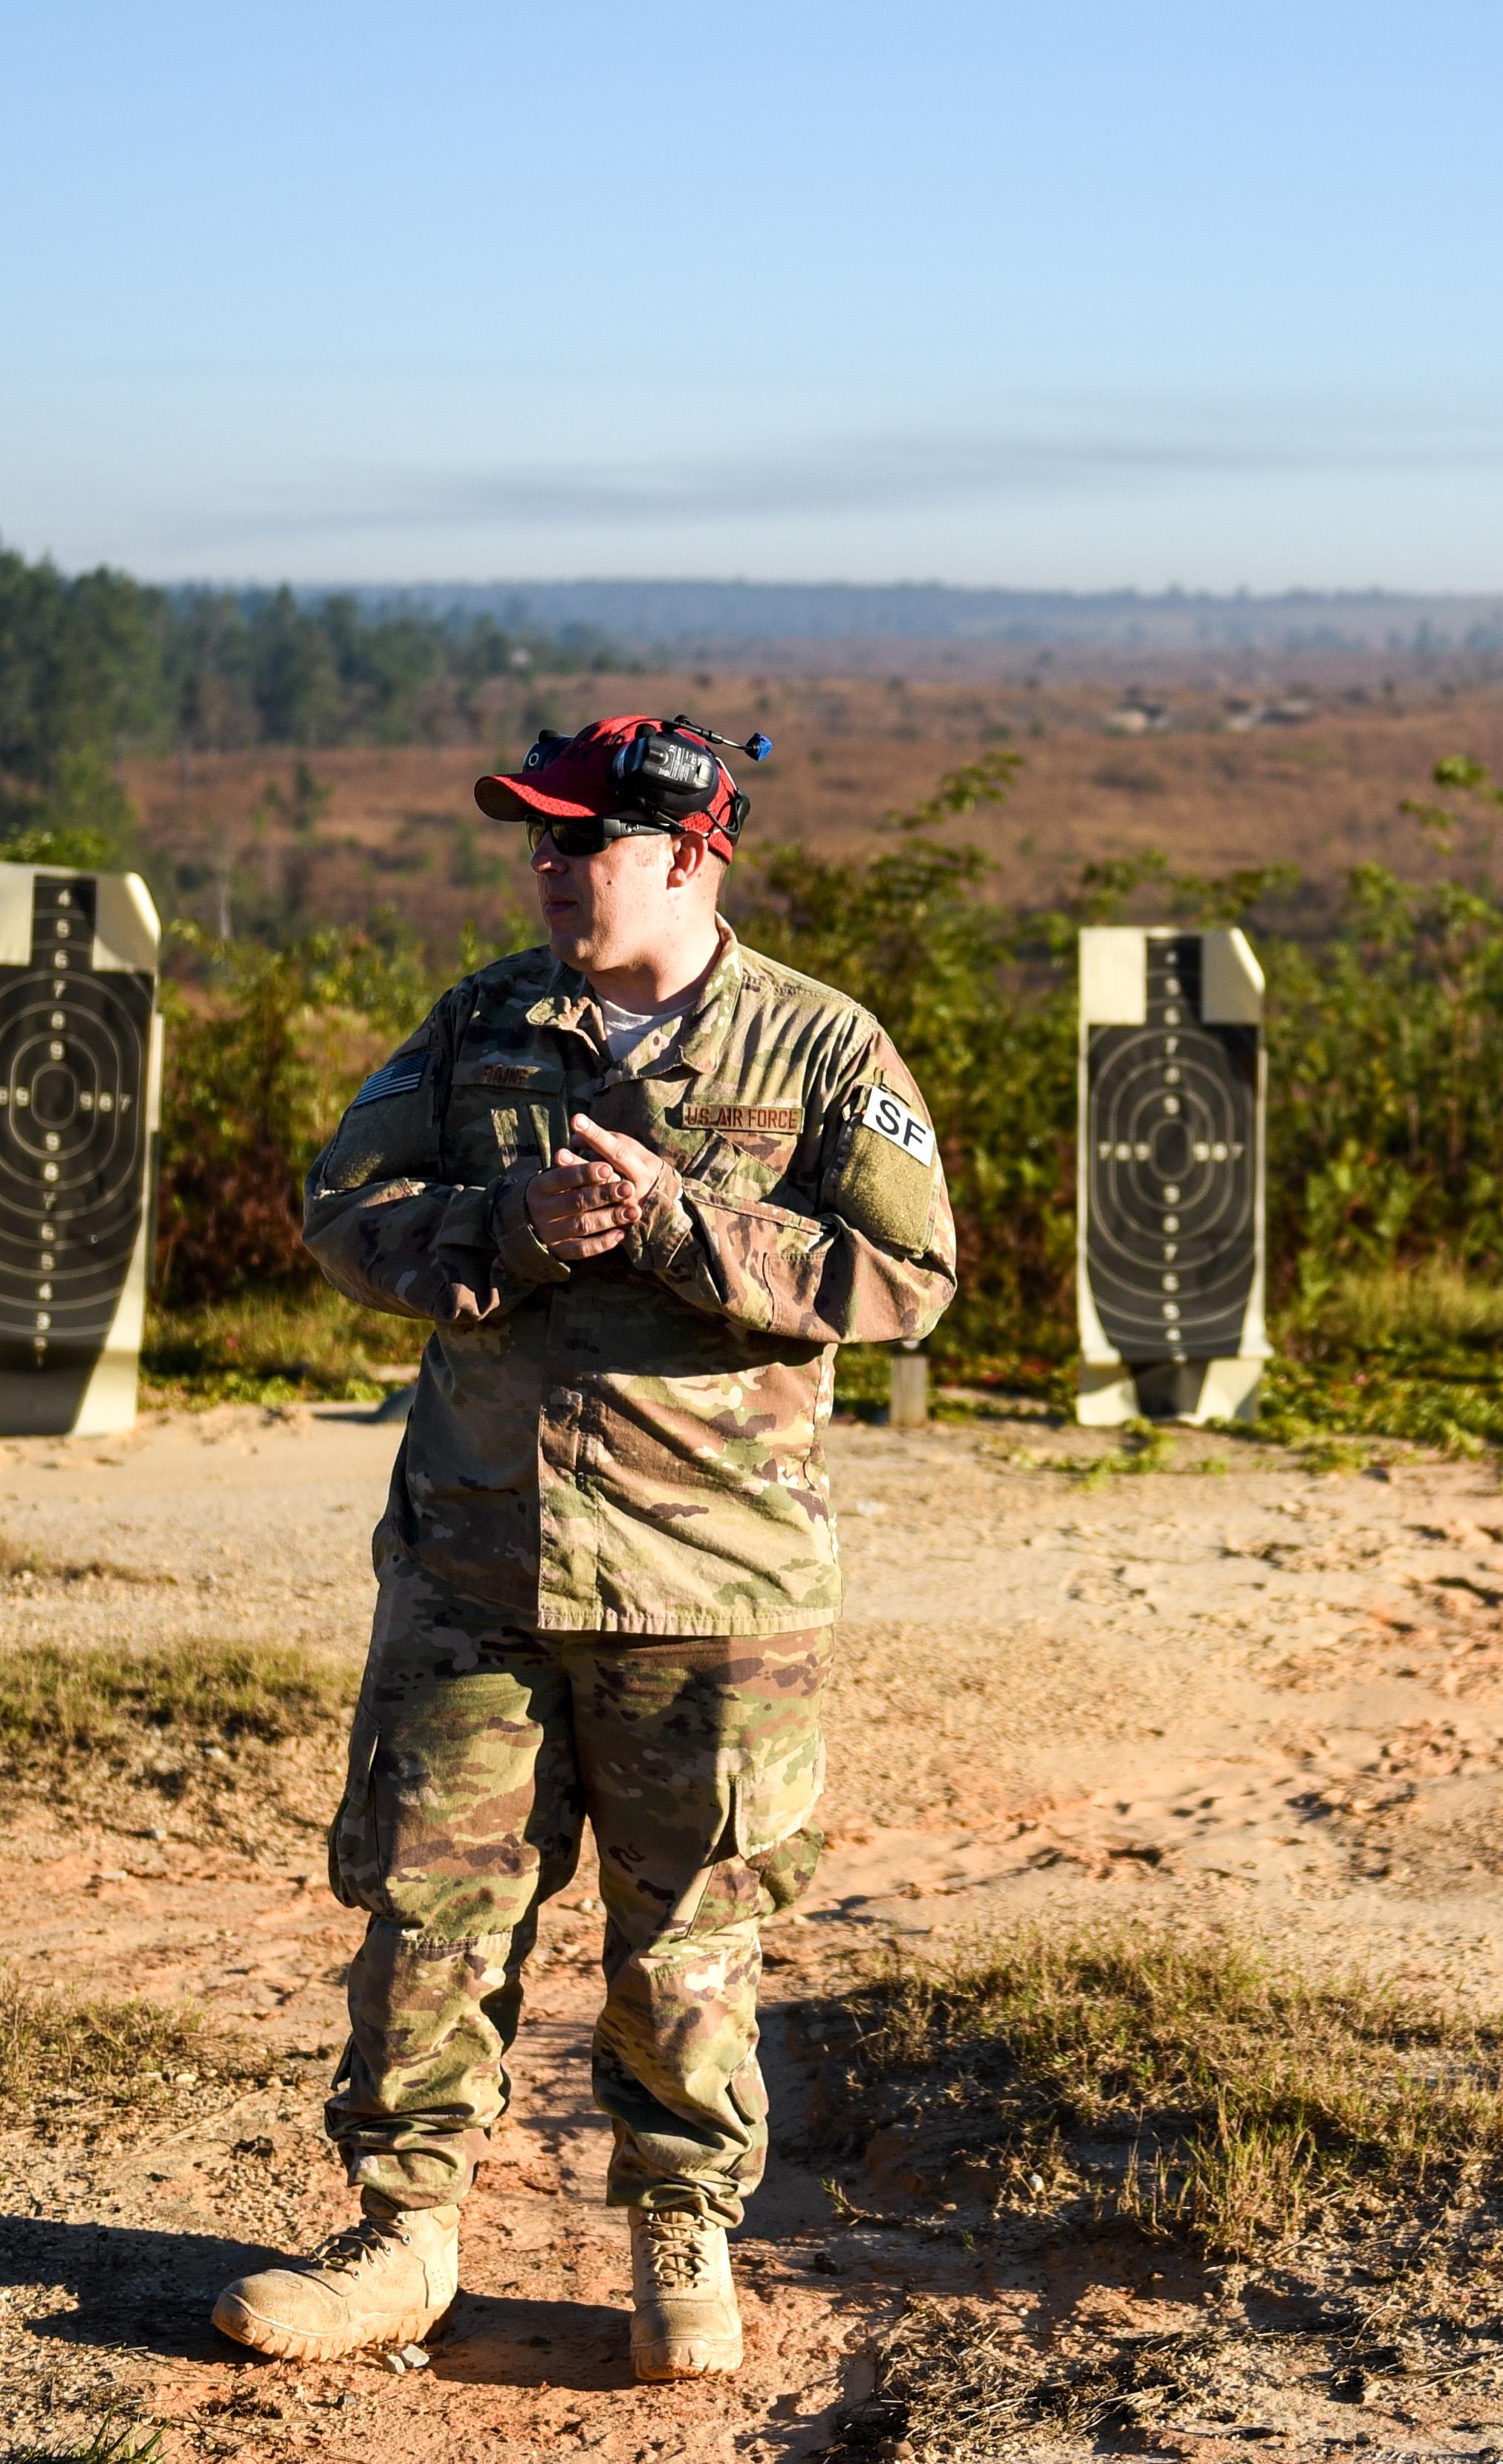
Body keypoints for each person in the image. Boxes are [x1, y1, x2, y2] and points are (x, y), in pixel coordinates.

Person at [209, 714, 956, 2379]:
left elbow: (907, 1282)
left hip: (712, 1584)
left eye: (577, 843)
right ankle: (404, 2236)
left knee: (689, 1926)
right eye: (533, 844)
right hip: (478, 1567)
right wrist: (502, 1230)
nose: (544, 871)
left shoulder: (825, 1047)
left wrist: (683, 1224)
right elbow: (344, 1208)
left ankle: (683, 2240)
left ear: (691, 854)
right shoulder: (483, 1025)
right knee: (427, 1908)